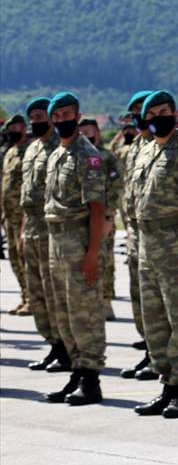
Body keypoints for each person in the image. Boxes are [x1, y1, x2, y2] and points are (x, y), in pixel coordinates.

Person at [127, 90, 178, 419]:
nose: (159, 116)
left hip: (176, 244)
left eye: (164, 110)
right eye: (153, 112)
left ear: (173, 112)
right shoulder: (144, 151)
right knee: (154, 321)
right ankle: (167, 384)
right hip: (146, 247)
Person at [41, 91, 108, 406]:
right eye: (58, 116)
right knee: (64, 312)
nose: (63, 121)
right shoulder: (56, 155)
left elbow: (97, 208)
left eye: (68, 115)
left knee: (85, 312)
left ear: (77, 117)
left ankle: (91, 379)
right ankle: (76, 372)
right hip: (56, 242)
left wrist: (93, 253)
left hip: (78, 240)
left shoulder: (87, 155)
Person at [19, 97, 68, 372]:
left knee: (54, 294)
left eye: (40, 117)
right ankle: (53, 345)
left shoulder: (56, 149)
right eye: (33, 119)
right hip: (32, 228)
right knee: (37, 293)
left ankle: (66, 348)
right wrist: (23, 231)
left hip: (52, 229)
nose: (36, 123)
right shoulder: (31, 149)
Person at [119, 90, 156, 379]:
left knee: (162, 307)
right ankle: (150, 351)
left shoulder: (160, 146)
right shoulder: (137, 148)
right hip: (135, 234)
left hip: (161, 239)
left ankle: (162, 361)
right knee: (140, 299)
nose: (137, 120)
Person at [77, 119, 121, 320]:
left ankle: (106, 300)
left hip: (102, 217)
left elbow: (115, 188)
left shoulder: (106, 157)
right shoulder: (78, 156)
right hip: (82, 217)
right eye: (82, 132)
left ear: (97, 132)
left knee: (106, 260)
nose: (86, 136)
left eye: (89, 131)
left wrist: (109, 215)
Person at [2, 115, 30, 315]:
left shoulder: (30, 151)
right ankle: (24, 296)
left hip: (23, 217)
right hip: (9, 216)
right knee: (14, 258)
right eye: (11, 127)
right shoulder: (10, 152)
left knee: (26, 259)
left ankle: (33, 300)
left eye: (17, 127)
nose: (13, 131)